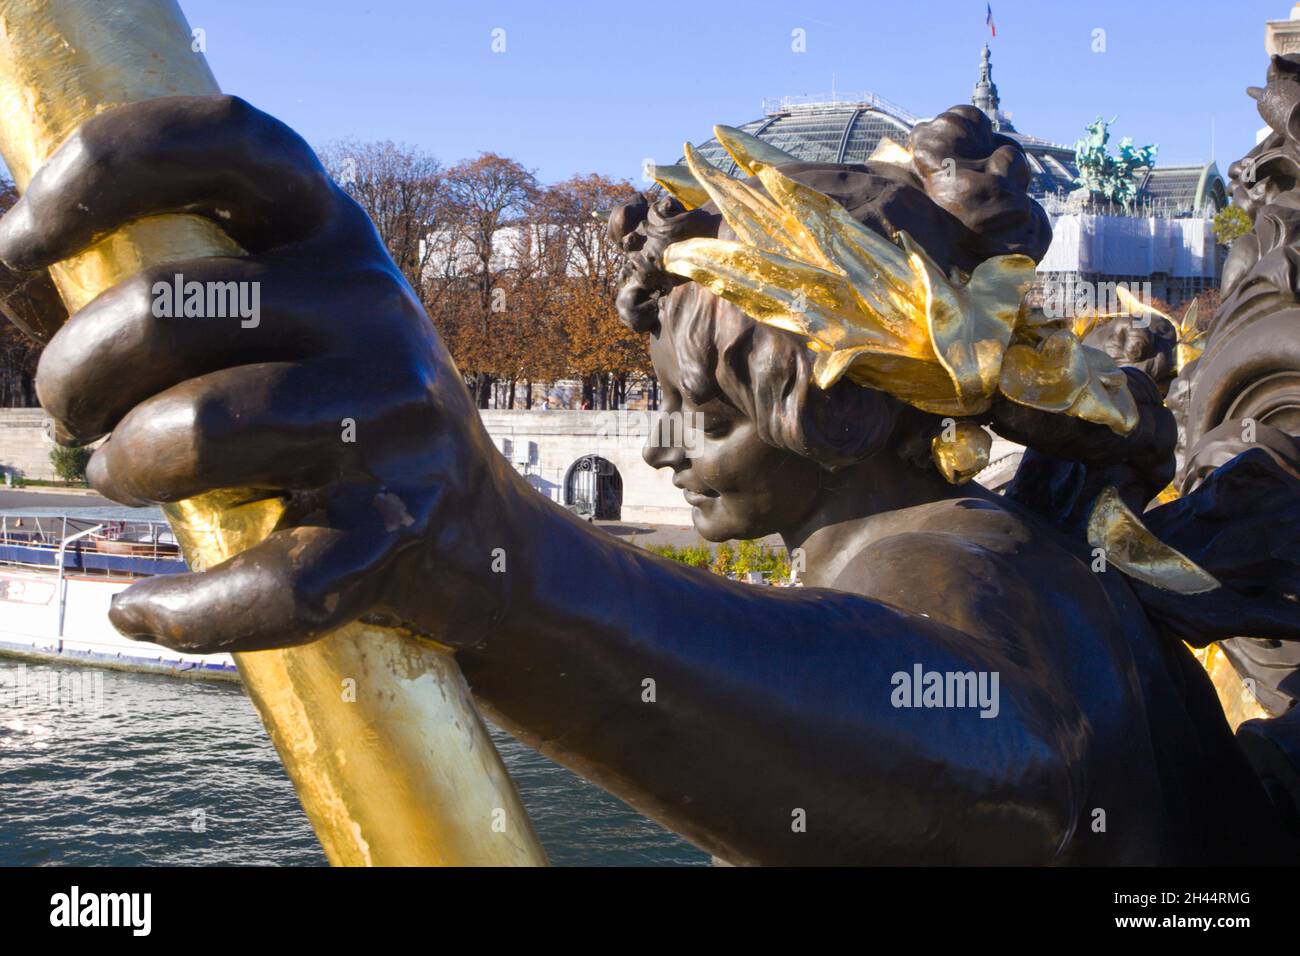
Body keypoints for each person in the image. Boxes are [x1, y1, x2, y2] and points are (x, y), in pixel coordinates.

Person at [2, 95, 1294, 864]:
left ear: (838, 415)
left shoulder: (961, 563)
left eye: (699, 410)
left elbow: (999, 744)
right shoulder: (980, 550)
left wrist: (506, 565)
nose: (665, 452)